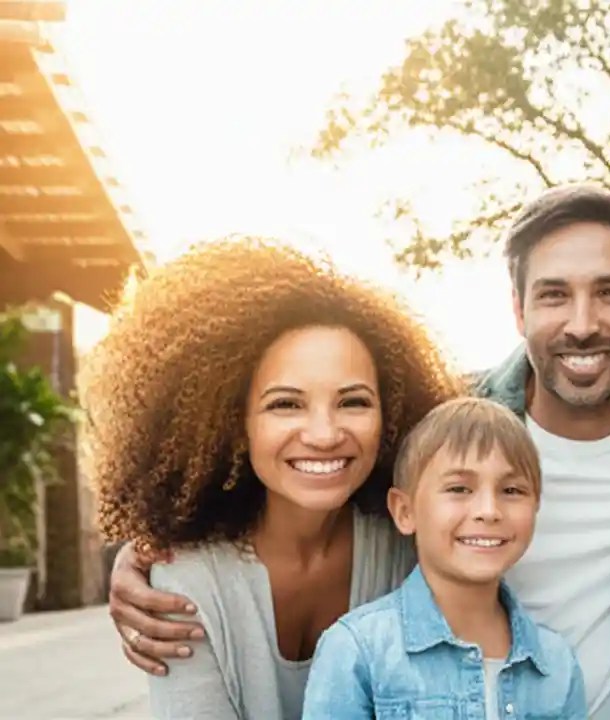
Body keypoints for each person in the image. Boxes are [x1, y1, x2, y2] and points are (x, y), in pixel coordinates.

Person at [105, 184, 610, 719]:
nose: (582, 322)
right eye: (554, 294)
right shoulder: (445, 427)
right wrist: (144, 554)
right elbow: (322, 464)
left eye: (609, 293)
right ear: (517, 309)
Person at [82, 238, 460, 718]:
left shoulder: (408, 547)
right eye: (285, 404)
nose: (324, 434)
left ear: (392, 415)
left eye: (353, 402)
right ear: (229, 421)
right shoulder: (188, 577)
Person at [301, 397, 588, 718]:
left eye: (511, 491)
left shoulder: (556, 664)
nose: (488, 511)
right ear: (405, 511)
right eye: (459, 489)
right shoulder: (359, 651)